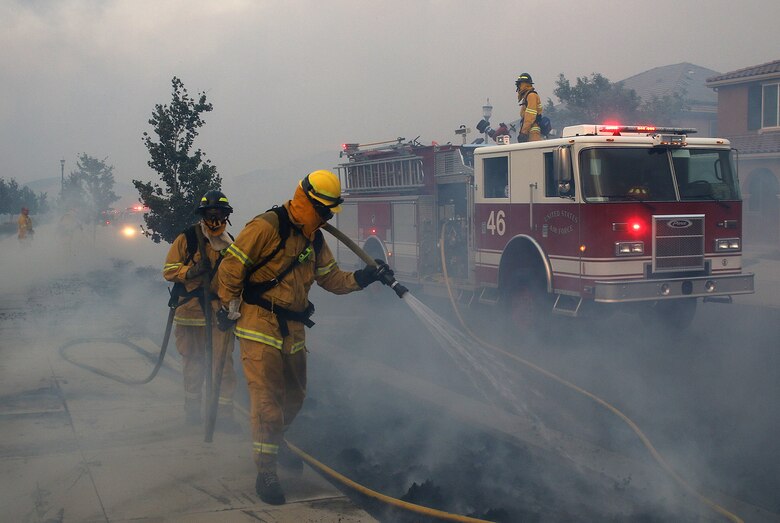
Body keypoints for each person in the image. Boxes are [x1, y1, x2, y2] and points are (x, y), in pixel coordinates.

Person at [216, 169, 390, 505]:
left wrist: (366, 277)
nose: (326, 217)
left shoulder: (316, 239)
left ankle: (274, 439)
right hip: (258, 321)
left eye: (330, 212)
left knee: (293, 398)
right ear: (306, 201)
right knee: (267, 404)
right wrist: (228, 306)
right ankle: (266, 472)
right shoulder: (266, 226)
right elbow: (230, 269)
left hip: (293, 327)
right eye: (323, 210)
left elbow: (332, 280)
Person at [162, 190, 241, 433]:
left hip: (219, 314)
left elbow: (238, 278)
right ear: (203, 214)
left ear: (227, 215)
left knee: (223, 367)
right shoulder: (188, 238)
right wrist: (192, 272)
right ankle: (192, 412)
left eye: (220, 213)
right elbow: (169, 270)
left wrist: (234, 311)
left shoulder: (231, 244)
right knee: (194, 365)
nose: (215, 217)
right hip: (190, 313)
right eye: (210, 213)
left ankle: (224, 416)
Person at [516, 72, 544, 142]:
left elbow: (530, 116)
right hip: (530, 131)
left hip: (533, 132)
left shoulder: (531, 96)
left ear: (523, 84)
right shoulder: (527, 97)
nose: (518, 87)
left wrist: (523, 132)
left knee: (533, 152)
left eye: (519, 84)